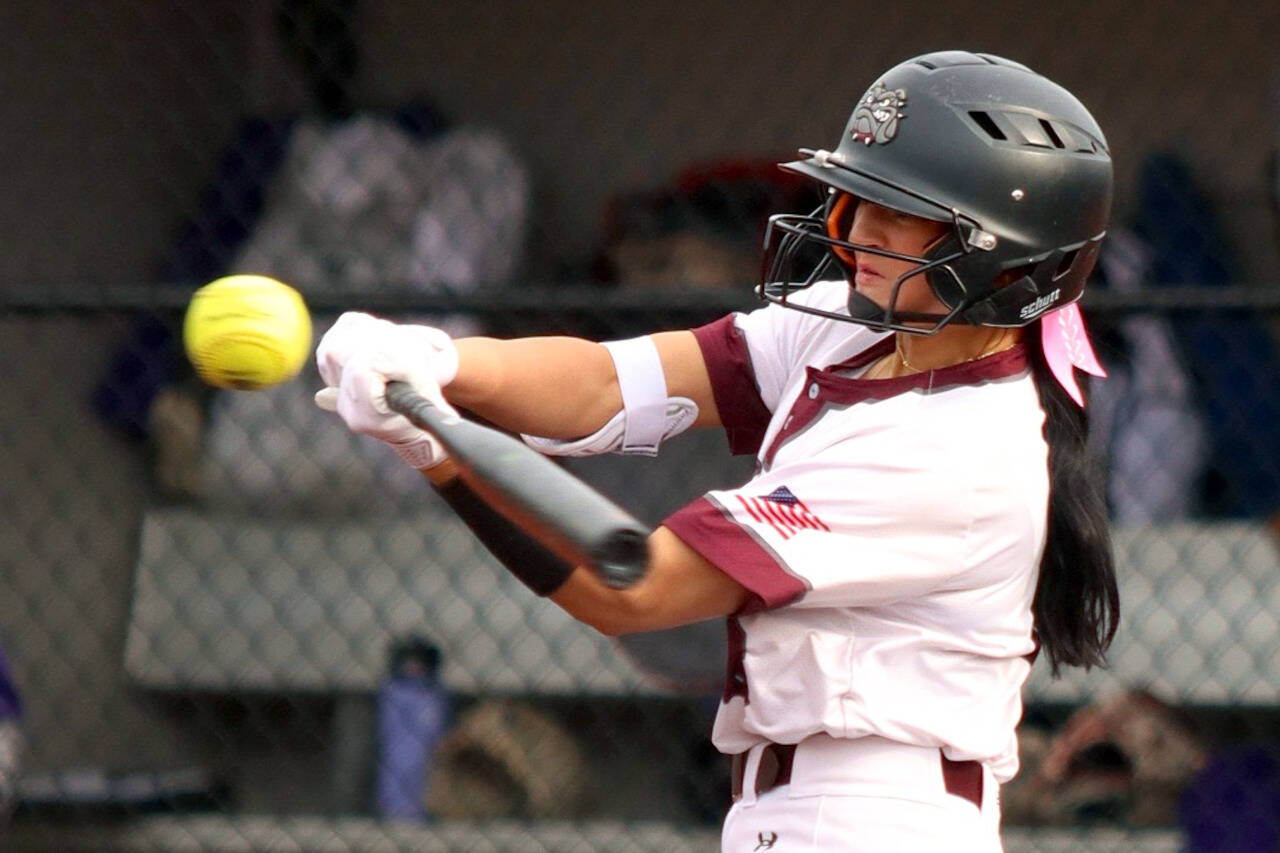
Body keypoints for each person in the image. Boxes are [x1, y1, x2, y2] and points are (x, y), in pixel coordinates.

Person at [314, 50, 1120, 852]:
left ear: (1006, 259)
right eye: (860, 196)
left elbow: (628, 585)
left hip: (875, 815)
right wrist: (441, 360)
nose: (857, 228)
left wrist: (438, 452)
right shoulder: (857, 325)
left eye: (902, 210)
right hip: (802, 812)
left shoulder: (954, 445)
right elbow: (607, 383)